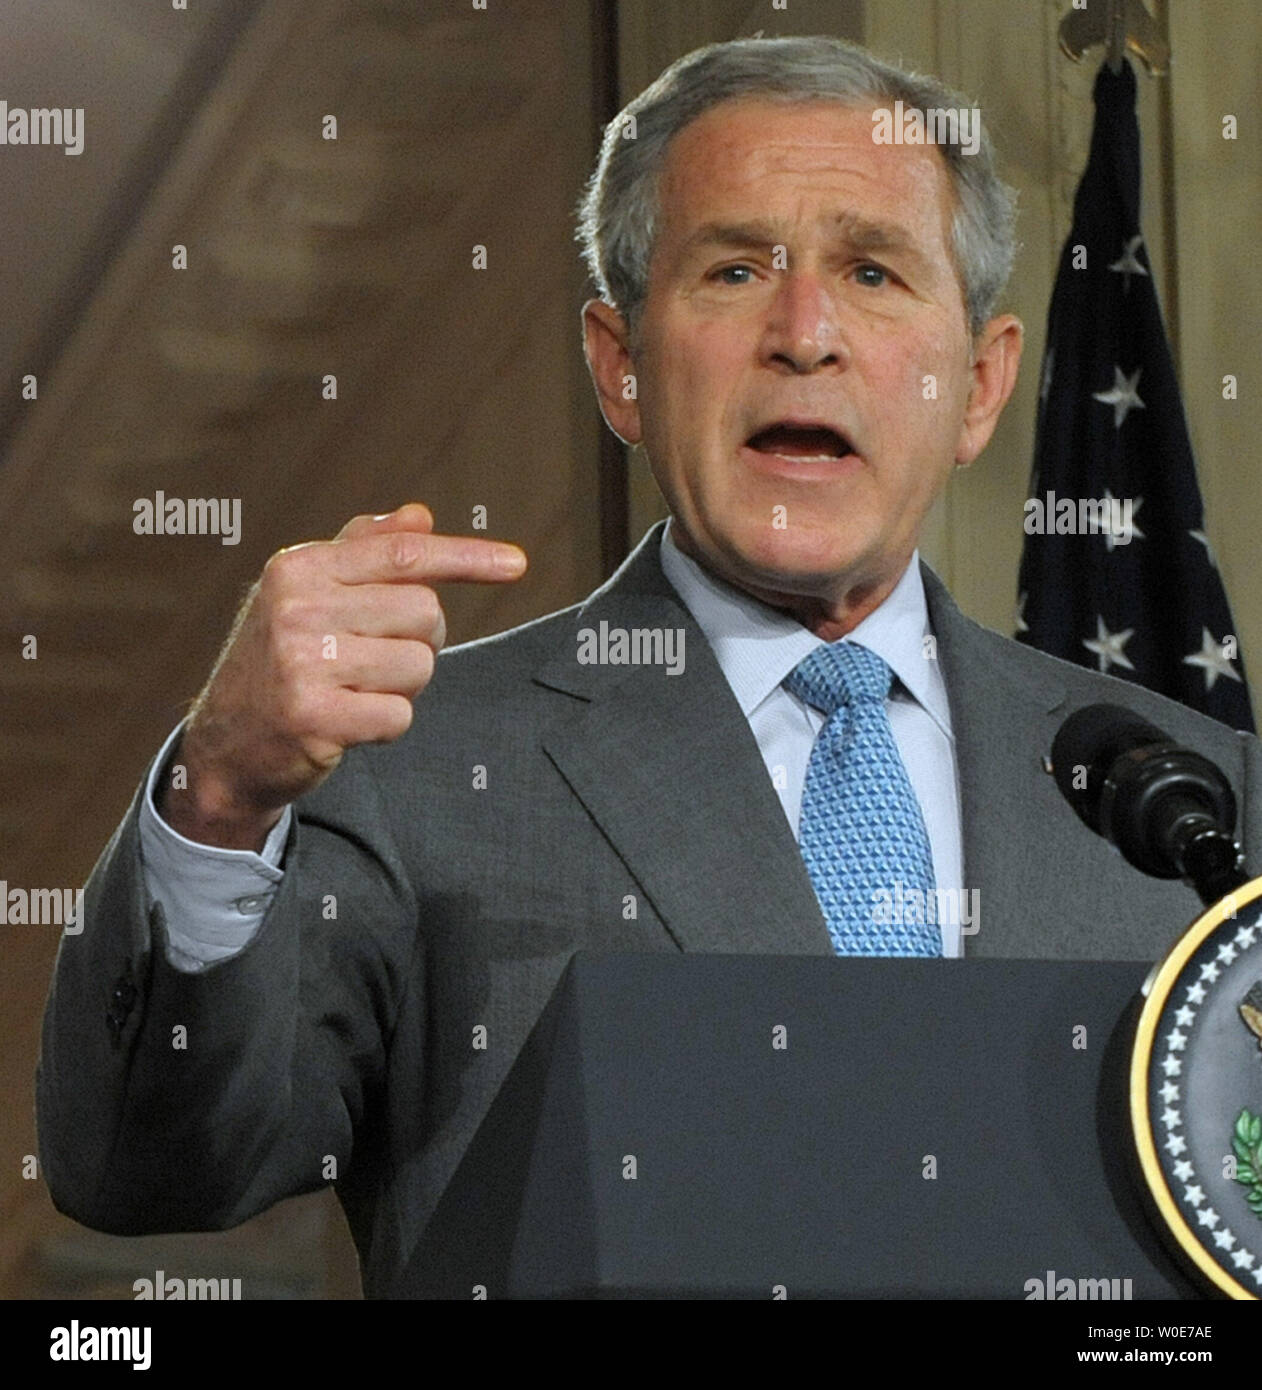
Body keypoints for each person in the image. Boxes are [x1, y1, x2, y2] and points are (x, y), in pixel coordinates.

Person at [36, 34, 1262, 1298]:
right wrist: (222, 797)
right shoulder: (409, 765)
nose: (804, 333)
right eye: (734, 268)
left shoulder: (1202, 804)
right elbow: (146, 1171)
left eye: (872, 270)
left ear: (979, 386)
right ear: (620, 368)